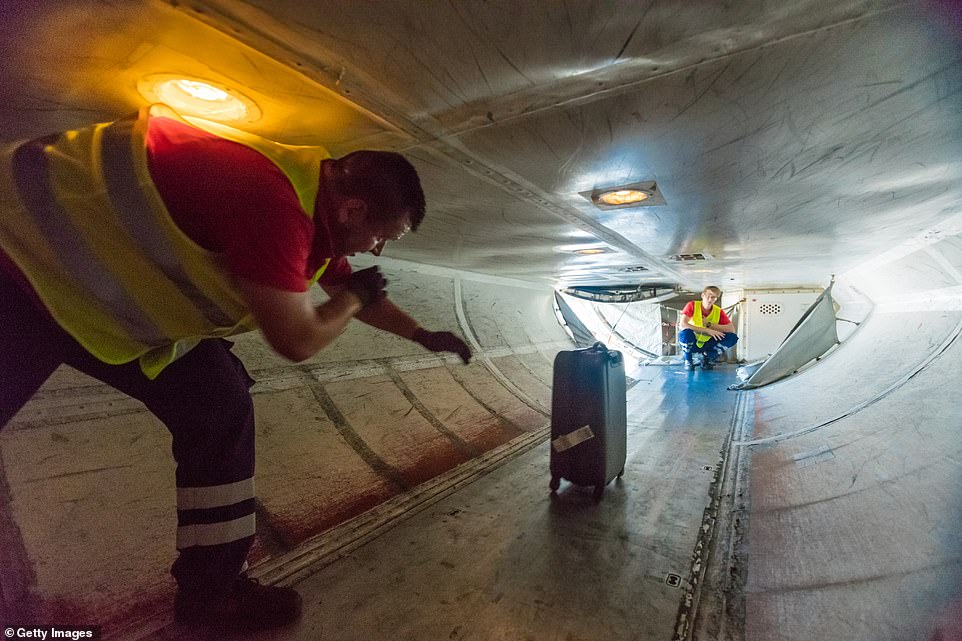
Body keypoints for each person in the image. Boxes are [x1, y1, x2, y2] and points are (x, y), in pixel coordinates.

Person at [0, 104, 472, 630]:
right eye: (386, 235)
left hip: (95, 305)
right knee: (216, 401)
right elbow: (297, 338)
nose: (379, 248)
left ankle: (212, 592)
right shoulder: (273, 207)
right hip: (19, 262)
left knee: (219, 403)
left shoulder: (307, 209)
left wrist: (422, 334)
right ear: (355, 211)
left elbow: (342, 284)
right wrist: (352, 302)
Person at [678, 286, 738, 371]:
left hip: (708, 343)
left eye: (713, 297)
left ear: (716, 299)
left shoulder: (718, 311)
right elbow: (683, 324)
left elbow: (731, 329)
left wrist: (709, 324)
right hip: (692, 341)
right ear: (702, 295)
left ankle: (707, 357)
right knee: (685, 333)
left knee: (732, 338)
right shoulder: (692, 305)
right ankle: (688, 360)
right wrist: (707, 330)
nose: (710, 299)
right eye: (708, 296)